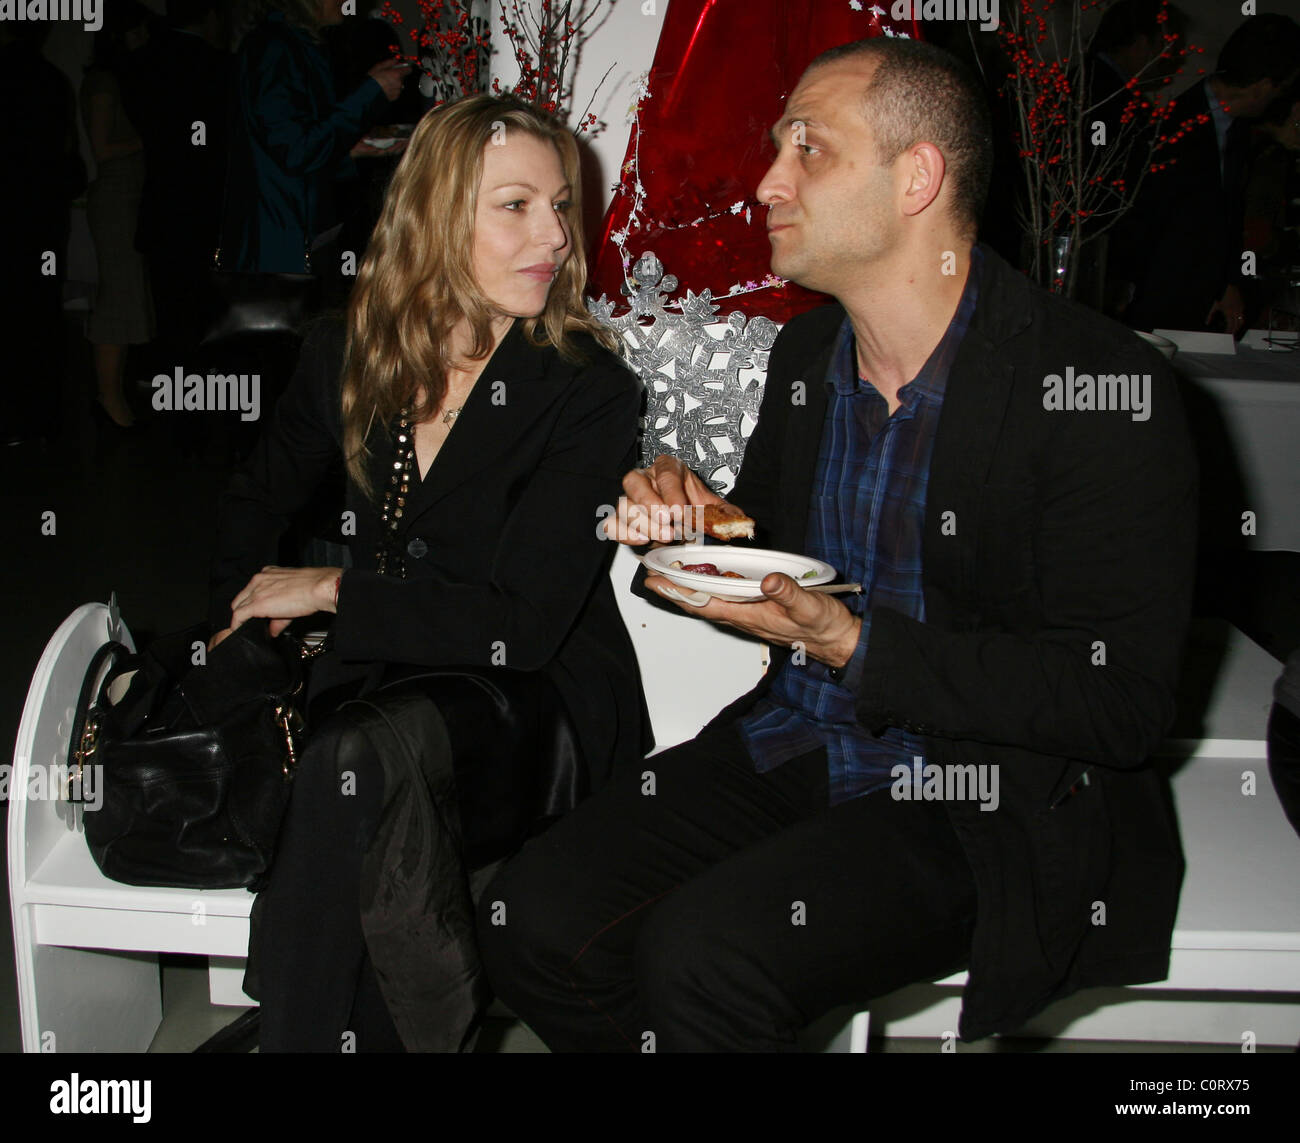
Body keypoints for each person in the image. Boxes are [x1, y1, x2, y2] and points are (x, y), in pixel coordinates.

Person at [477, 37, 1199, 1051]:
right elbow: (785, 550)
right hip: (795, 735)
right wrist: (707, 522)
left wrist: (856, 649)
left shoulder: (1096, 392)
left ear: (917, 178)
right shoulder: (813, 353)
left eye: (808, 149)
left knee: (705, 957)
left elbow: (1115, 704)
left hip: (976, 789)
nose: (767, 179)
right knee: (531, 921)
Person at [208, 92, 647, 1051]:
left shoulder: (585, 388)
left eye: (562, 206)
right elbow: (251, 505)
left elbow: (523, 624)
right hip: (384, 677)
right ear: (436, 216)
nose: (556, 238)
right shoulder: (348, 355)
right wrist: (236, 615)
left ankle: (287, 1035)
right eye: (517, 206)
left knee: (356, 762)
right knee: (362, 782)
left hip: (536, 704)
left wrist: (330, 590)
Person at [1120, 13, 1300, 334]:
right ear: (1262, 87)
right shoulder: (1173, 131)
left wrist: (1228, 282)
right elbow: (1159, 233)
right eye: (1281, 90)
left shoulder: (1235, 129)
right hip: (1163, 313)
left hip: (1198, 306)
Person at [219, 0, 411, 283]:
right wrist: (371, 92)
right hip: (282, 241)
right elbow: (295, 151)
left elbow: (287, 146)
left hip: (292, 231)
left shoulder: (292, 44)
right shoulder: (276, 47)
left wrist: (346, 153)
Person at [80, 0, 157, 429]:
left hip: (123, 198)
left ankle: (111, 395)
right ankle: (108, 398)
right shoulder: (105, 82)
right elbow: (103, 148)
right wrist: (150, 140)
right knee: (117, 299)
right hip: (116, 198)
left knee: (124, 297)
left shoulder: (109, 79)